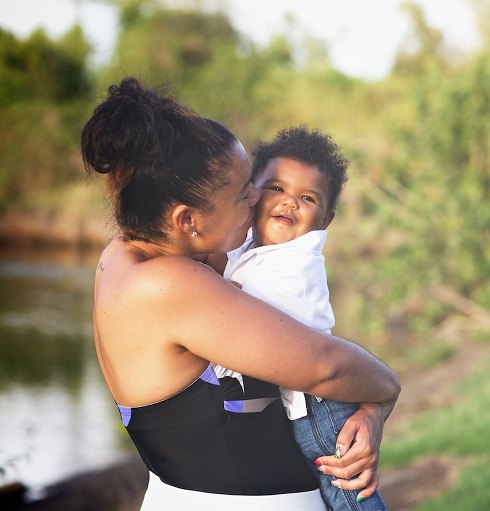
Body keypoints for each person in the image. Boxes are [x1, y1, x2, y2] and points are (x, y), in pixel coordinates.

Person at [81, 77, 399, 510]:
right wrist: (385, 391)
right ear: (187, 219)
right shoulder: (169, 285)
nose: (256, 198)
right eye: (241, 193)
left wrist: (369, 416)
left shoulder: (125, 255)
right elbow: (324, 366)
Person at [215, 126, 388, 510]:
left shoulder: (295, 263)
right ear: (251, 193)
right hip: (299, 404)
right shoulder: (251, 247)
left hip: (318, 409)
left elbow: (240, 326)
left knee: (348, 493)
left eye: (306, 197)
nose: (289, 202)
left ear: (325, 219)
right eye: (276, 188)